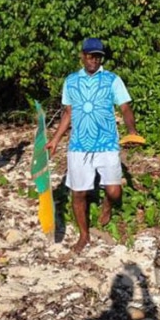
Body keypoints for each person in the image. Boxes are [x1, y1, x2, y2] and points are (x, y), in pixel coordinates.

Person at [46, 38, 139, 254]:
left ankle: (107, 205)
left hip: (107, 144)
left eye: (98, 57)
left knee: (114, 191)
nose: (94, 60)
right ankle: (84, 235)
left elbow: (125, 107)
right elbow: (68, 113)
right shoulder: (70, 81)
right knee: (78, 193)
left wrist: (132, 131)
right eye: (90, 56)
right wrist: (55, 139)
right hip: (79, 146)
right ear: (82, 56)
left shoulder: (112, 80)